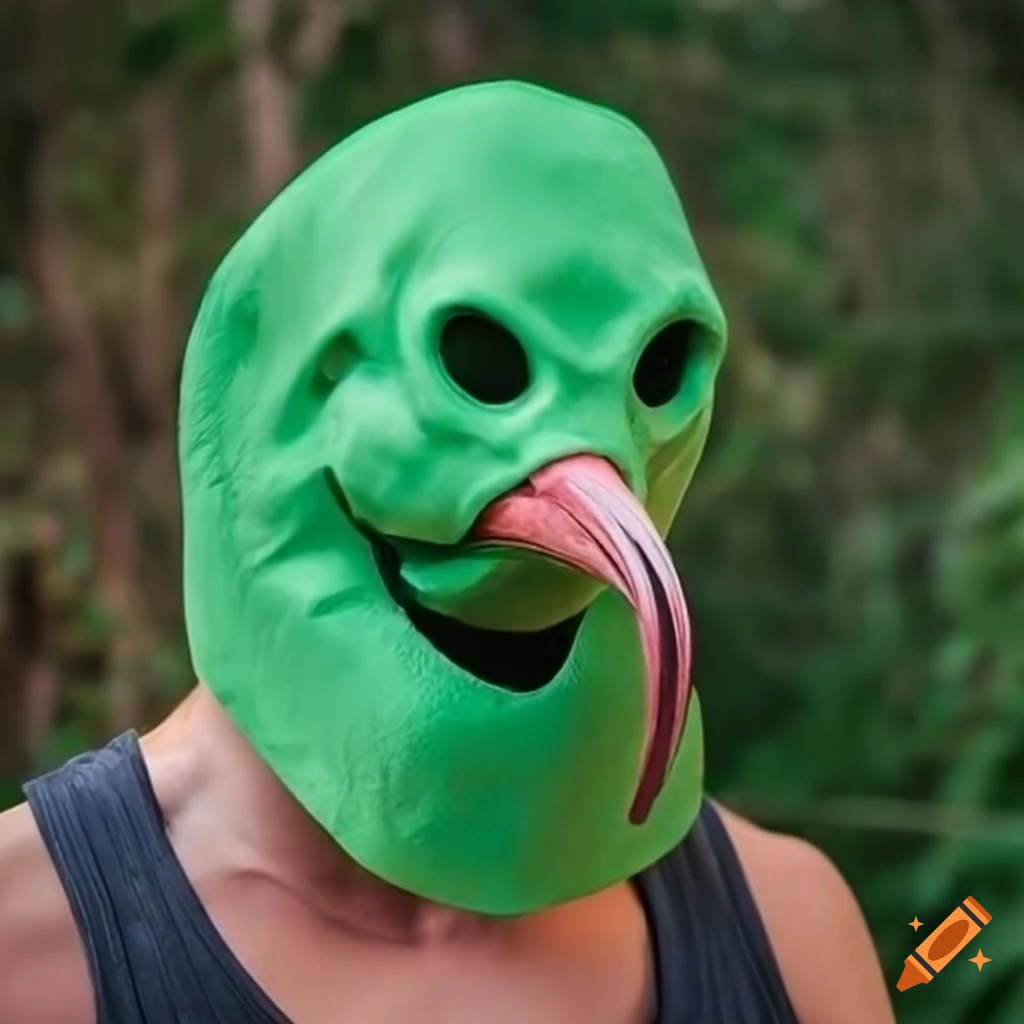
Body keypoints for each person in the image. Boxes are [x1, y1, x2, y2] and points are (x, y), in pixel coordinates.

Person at [0, 81, 896, 1024]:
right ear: (297, 375)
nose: (603, 467)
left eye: (656, 372)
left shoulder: (793, 933)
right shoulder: (27, 952)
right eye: (477, 358)